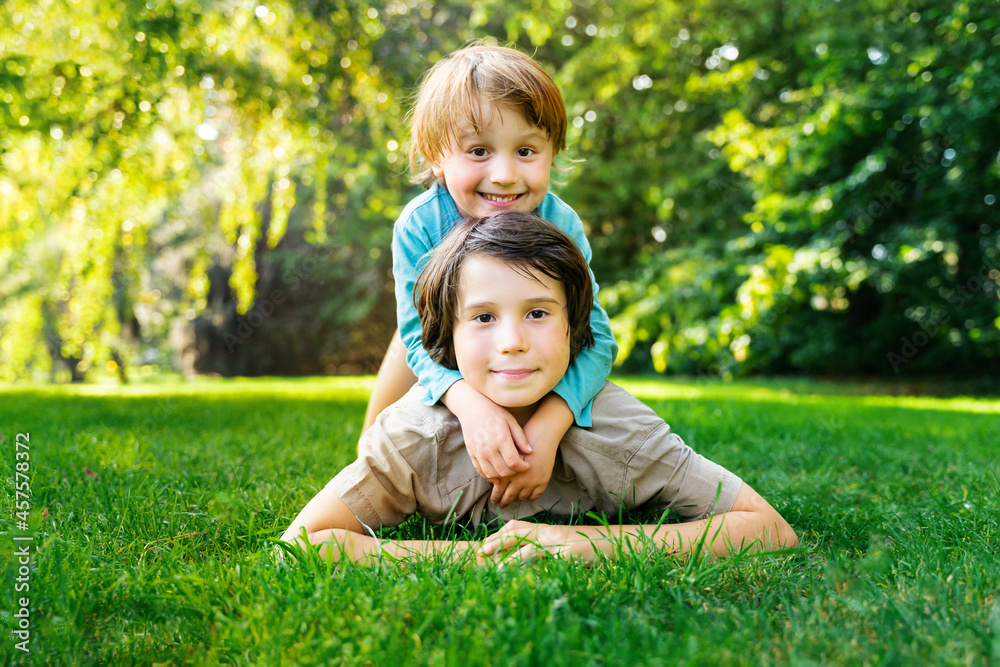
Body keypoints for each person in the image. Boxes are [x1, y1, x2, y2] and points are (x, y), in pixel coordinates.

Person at [281, 212, 798, 565]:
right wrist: (476, 556)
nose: (512, 342)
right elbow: (302, 546)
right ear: (448, 335)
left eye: (537, 313)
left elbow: (770, 530)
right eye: (483, 317)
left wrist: (587, 544)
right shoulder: (414, 435)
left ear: (574, 325)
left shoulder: (622, 431)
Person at [362, 41, 618, 509]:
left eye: (525, 150)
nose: (503, 174)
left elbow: (595, 339)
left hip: (521, 346)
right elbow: (418, 339)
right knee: (405, 354)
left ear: (553, 152)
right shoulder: (421, 224)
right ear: (436, 155)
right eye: (478, 150)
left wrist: (548, 426)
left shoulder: (561, 225)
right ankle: (368, 452)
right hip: (439, 338)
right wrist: (471, 407)